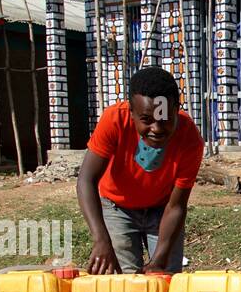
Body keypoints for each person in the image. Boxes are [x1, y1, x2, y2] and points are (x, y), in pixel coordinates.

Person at [77, 66, 203, 274]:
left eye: (165, 119)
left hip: (163, 210)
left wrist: (159, 261)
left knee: (165, 278)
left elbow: (177, 205)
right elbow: (86, 180)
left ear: (176, 109)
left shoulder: (189, 138)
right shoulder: (114, 120)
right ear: (131, 113)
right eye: (146, 120)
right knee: (124, 282)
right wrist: (101, 240)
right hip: (118, 208)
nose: (157, 128)